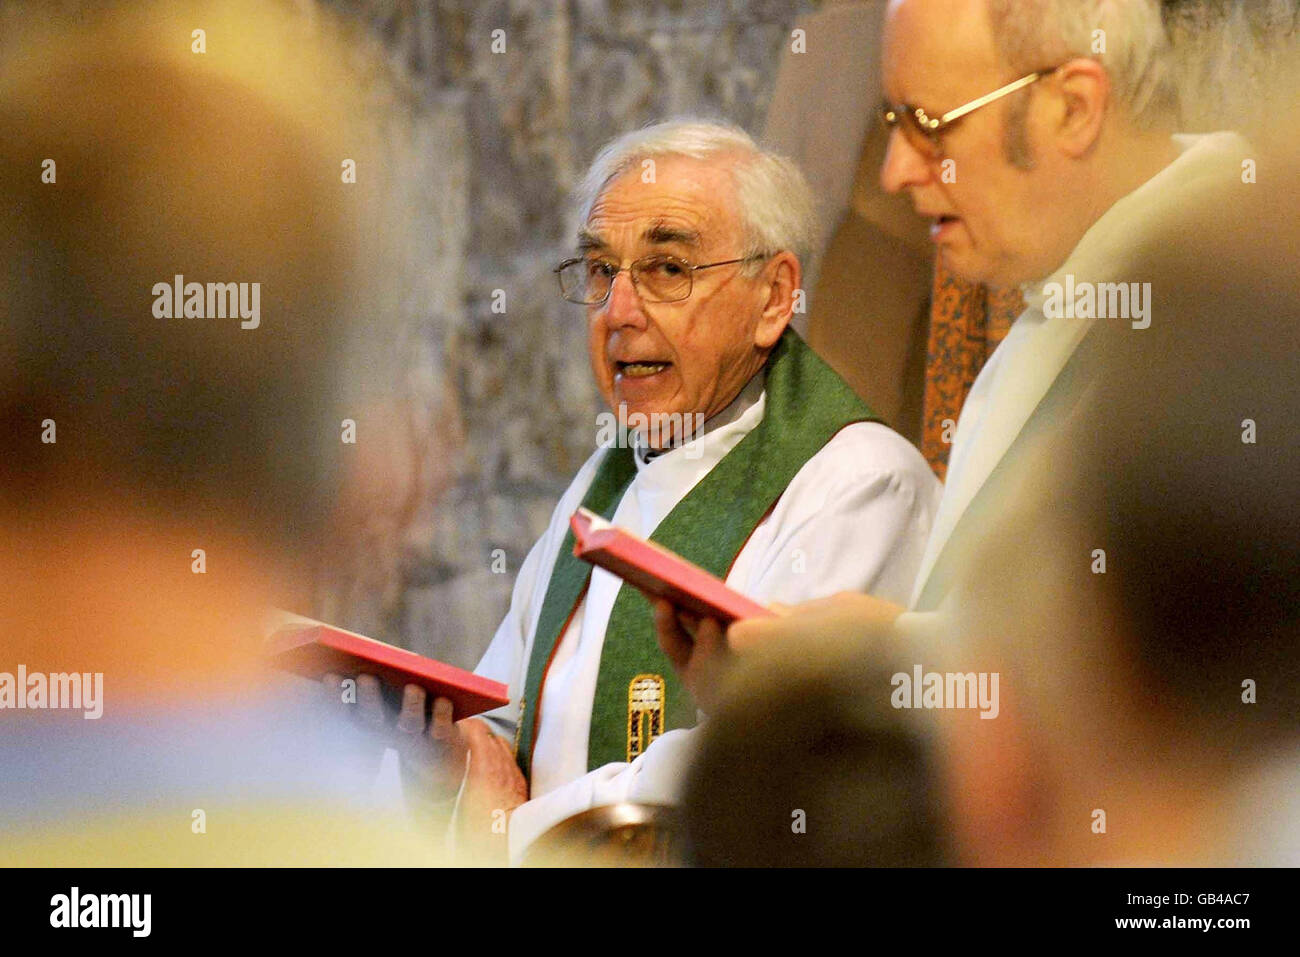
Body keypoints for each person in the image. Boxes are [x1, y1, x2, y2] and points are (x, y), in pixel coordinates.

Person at [368, 120, 942, 864]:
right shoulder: (605, 478)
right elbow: (498, 718)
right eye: (602, 271)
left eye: (668, 270)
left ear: (774, 298)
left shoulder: (860, 483)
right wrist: (445, 755)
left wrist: (512, 836)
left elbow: (752, 764)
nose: (620, 312)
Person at [655, 0, 1252, 709]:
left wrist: (887, 652)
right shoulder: (1050, 325)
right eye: (891, 124)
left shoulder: (1236, 316)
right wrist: (814, 683)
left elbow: (1177, 693)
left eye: (929, 125)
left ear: (1073, 108)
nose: (897, 172)